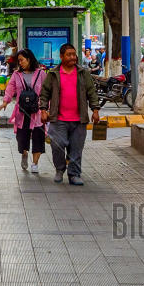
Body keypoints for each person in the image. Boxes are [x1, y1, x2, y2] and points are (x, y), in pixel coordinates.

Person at [38, 42, 103, 185]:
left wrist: (95, 110)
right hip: (58, 118)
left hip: (79, 119)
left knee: (76, 148)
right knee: (57, 144)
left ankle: (74, 174)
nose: (73, 57)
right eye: (69, 55)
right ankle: (60, 169)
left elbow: (91, 92)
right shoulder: (54, 74)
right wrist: (43, 110)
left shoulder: (83, 73)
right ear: (61, 57)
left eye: (74, 54)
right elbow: (44, 93)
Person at [3, 48, 47, 174]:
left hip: (37, 111)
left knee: (38, 137)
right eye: (19, 61)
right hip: (22, 111)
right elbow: (10, 88)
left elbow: (46, 91)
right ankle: (24, 153)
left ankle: (35, 164)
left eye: (22, 60)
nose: (20, 63)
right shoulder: (16, 74)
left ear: (29, 59)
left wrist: (46, 108)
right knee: (22, 137)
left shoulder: (41, 74)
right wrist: (5, 101)